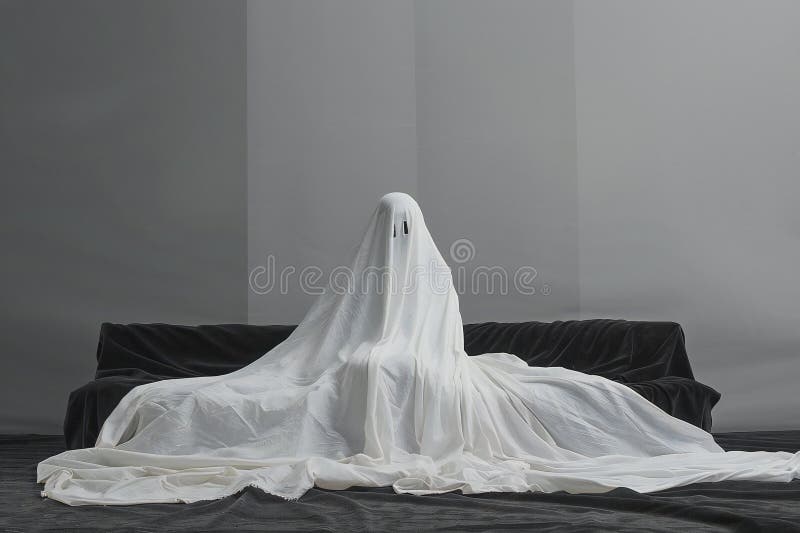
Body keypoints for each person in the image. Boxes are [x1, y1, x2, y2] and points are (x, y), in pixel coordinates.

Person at [38, 192, 799, 505]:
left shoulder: (430, 278)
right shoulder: (355, 293)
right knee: (353, 368)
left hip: (450, 375)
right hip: (355, 368)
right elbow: (323, 354)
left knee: (472, 381)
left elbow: (439, 345)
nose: (399, 244)